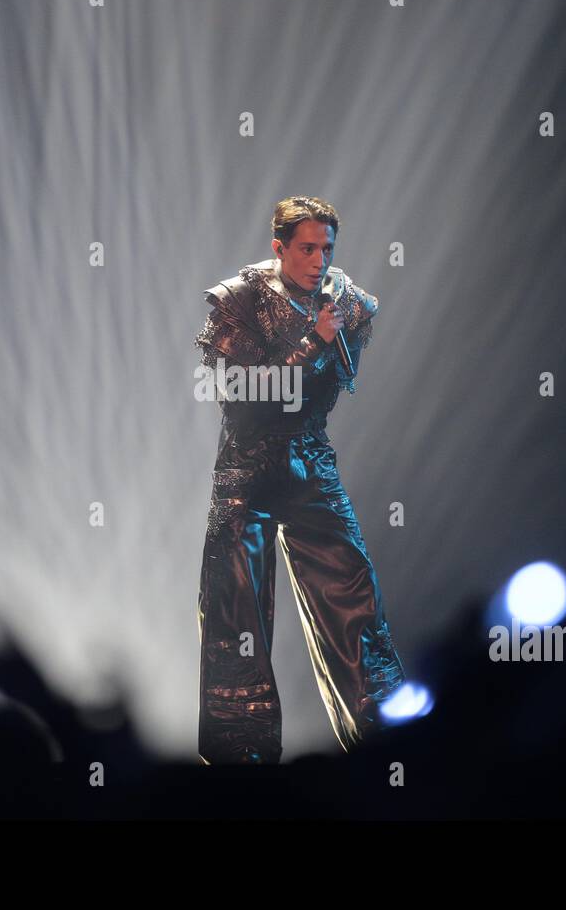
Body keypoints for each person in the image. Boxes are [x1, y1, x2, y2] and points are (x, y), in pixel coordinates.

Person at [194, 195, 407, 764]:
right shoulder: (239, 301)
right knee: (236, 610)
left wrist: (323, 342)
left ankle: (385, 741)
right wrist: (312, 344)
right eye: (307, 249)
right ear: (279, 247)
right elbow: (240, 400)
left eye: (326, 249)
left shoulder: (347, 302)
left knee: (354, 592)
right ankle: (242, 757)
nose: (318, 261)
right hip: (246, 470)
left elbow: (328, 392)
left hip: (310, 460)